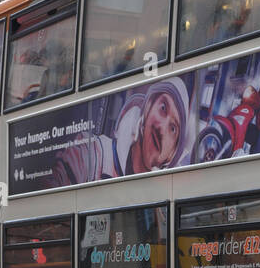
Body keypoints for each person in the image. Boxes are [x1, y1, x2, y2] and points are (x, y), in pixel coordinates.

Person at [48, 76, 192, 187]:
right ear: (147, 108)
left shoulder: (157, 193)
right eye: (163, 108)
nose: (162, 128)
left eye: (173, 128)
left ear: (171, 155)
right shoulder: (92, 153)